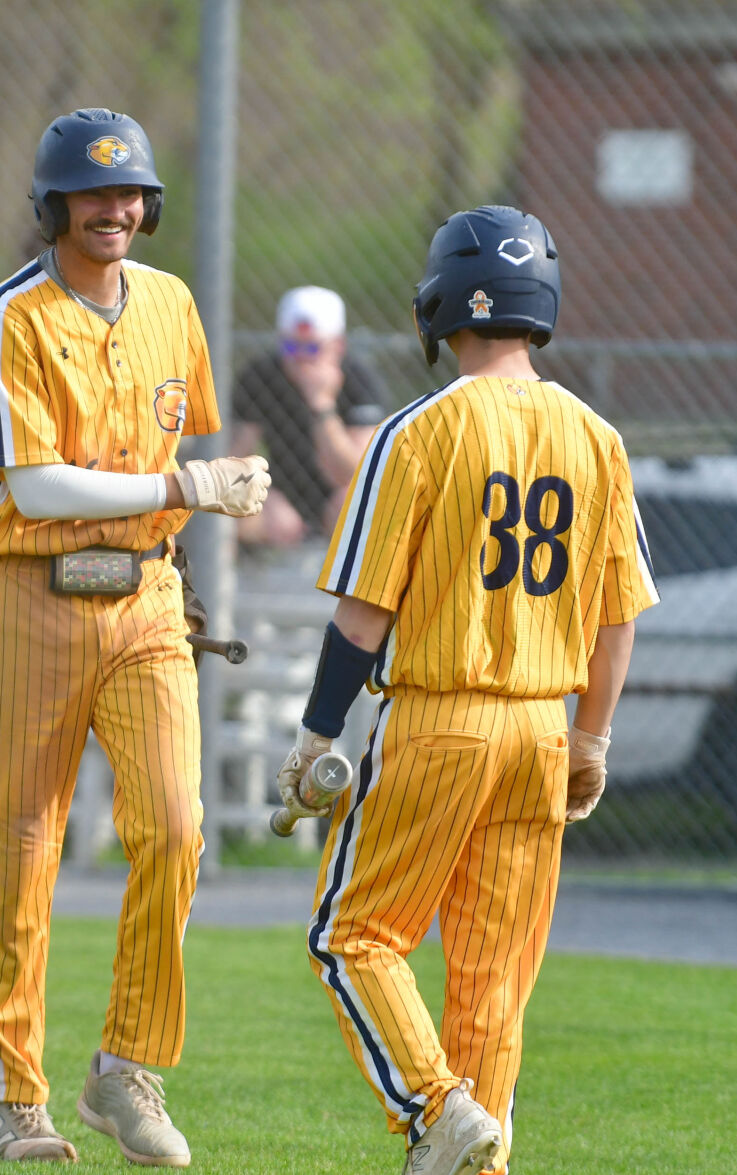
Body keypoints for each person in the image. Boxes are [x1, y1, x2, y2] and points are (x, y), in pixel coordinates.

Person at [272, 206, 658, 1175]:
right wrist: (591, 739)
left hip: (440, 718)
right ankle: (479, 1160)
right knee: (492, 981)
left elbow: (362, 613)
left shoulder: (416, 430)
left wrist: (316, 731)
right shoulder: (596, 435)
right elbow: (616, 617)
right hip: (542, 730)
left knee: (351, 936)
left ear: (442, 302)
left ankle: (437, 1108)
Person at [0, 107, 269, 1165]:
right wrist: (186, 485)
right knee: (23, 850)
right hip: (31, 596)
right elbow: (37, 486)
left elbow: (182, 453)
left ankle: (125, 1068)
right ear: (52, 207)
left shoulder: (170, 303)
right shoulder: (10, 313)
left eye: (130, 192)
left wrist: (198, 500)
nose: (114, 210)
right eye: (92, 194)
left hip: (144, 599)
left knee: (176, 828)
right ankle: (20, 1100)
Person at [232, 285, 388, 549]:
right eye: (291, 346)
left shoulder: (359, 379)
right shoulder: (261, 375)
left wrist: (322, 404)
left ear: (338, 346)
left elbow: (354, 474)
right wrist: (259, 492)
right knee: (236, 505)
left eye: (313, 348)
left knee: (354, 504)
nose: (301, 358)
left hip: (335, 495)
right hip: (277, 491)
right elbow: (234, 460)